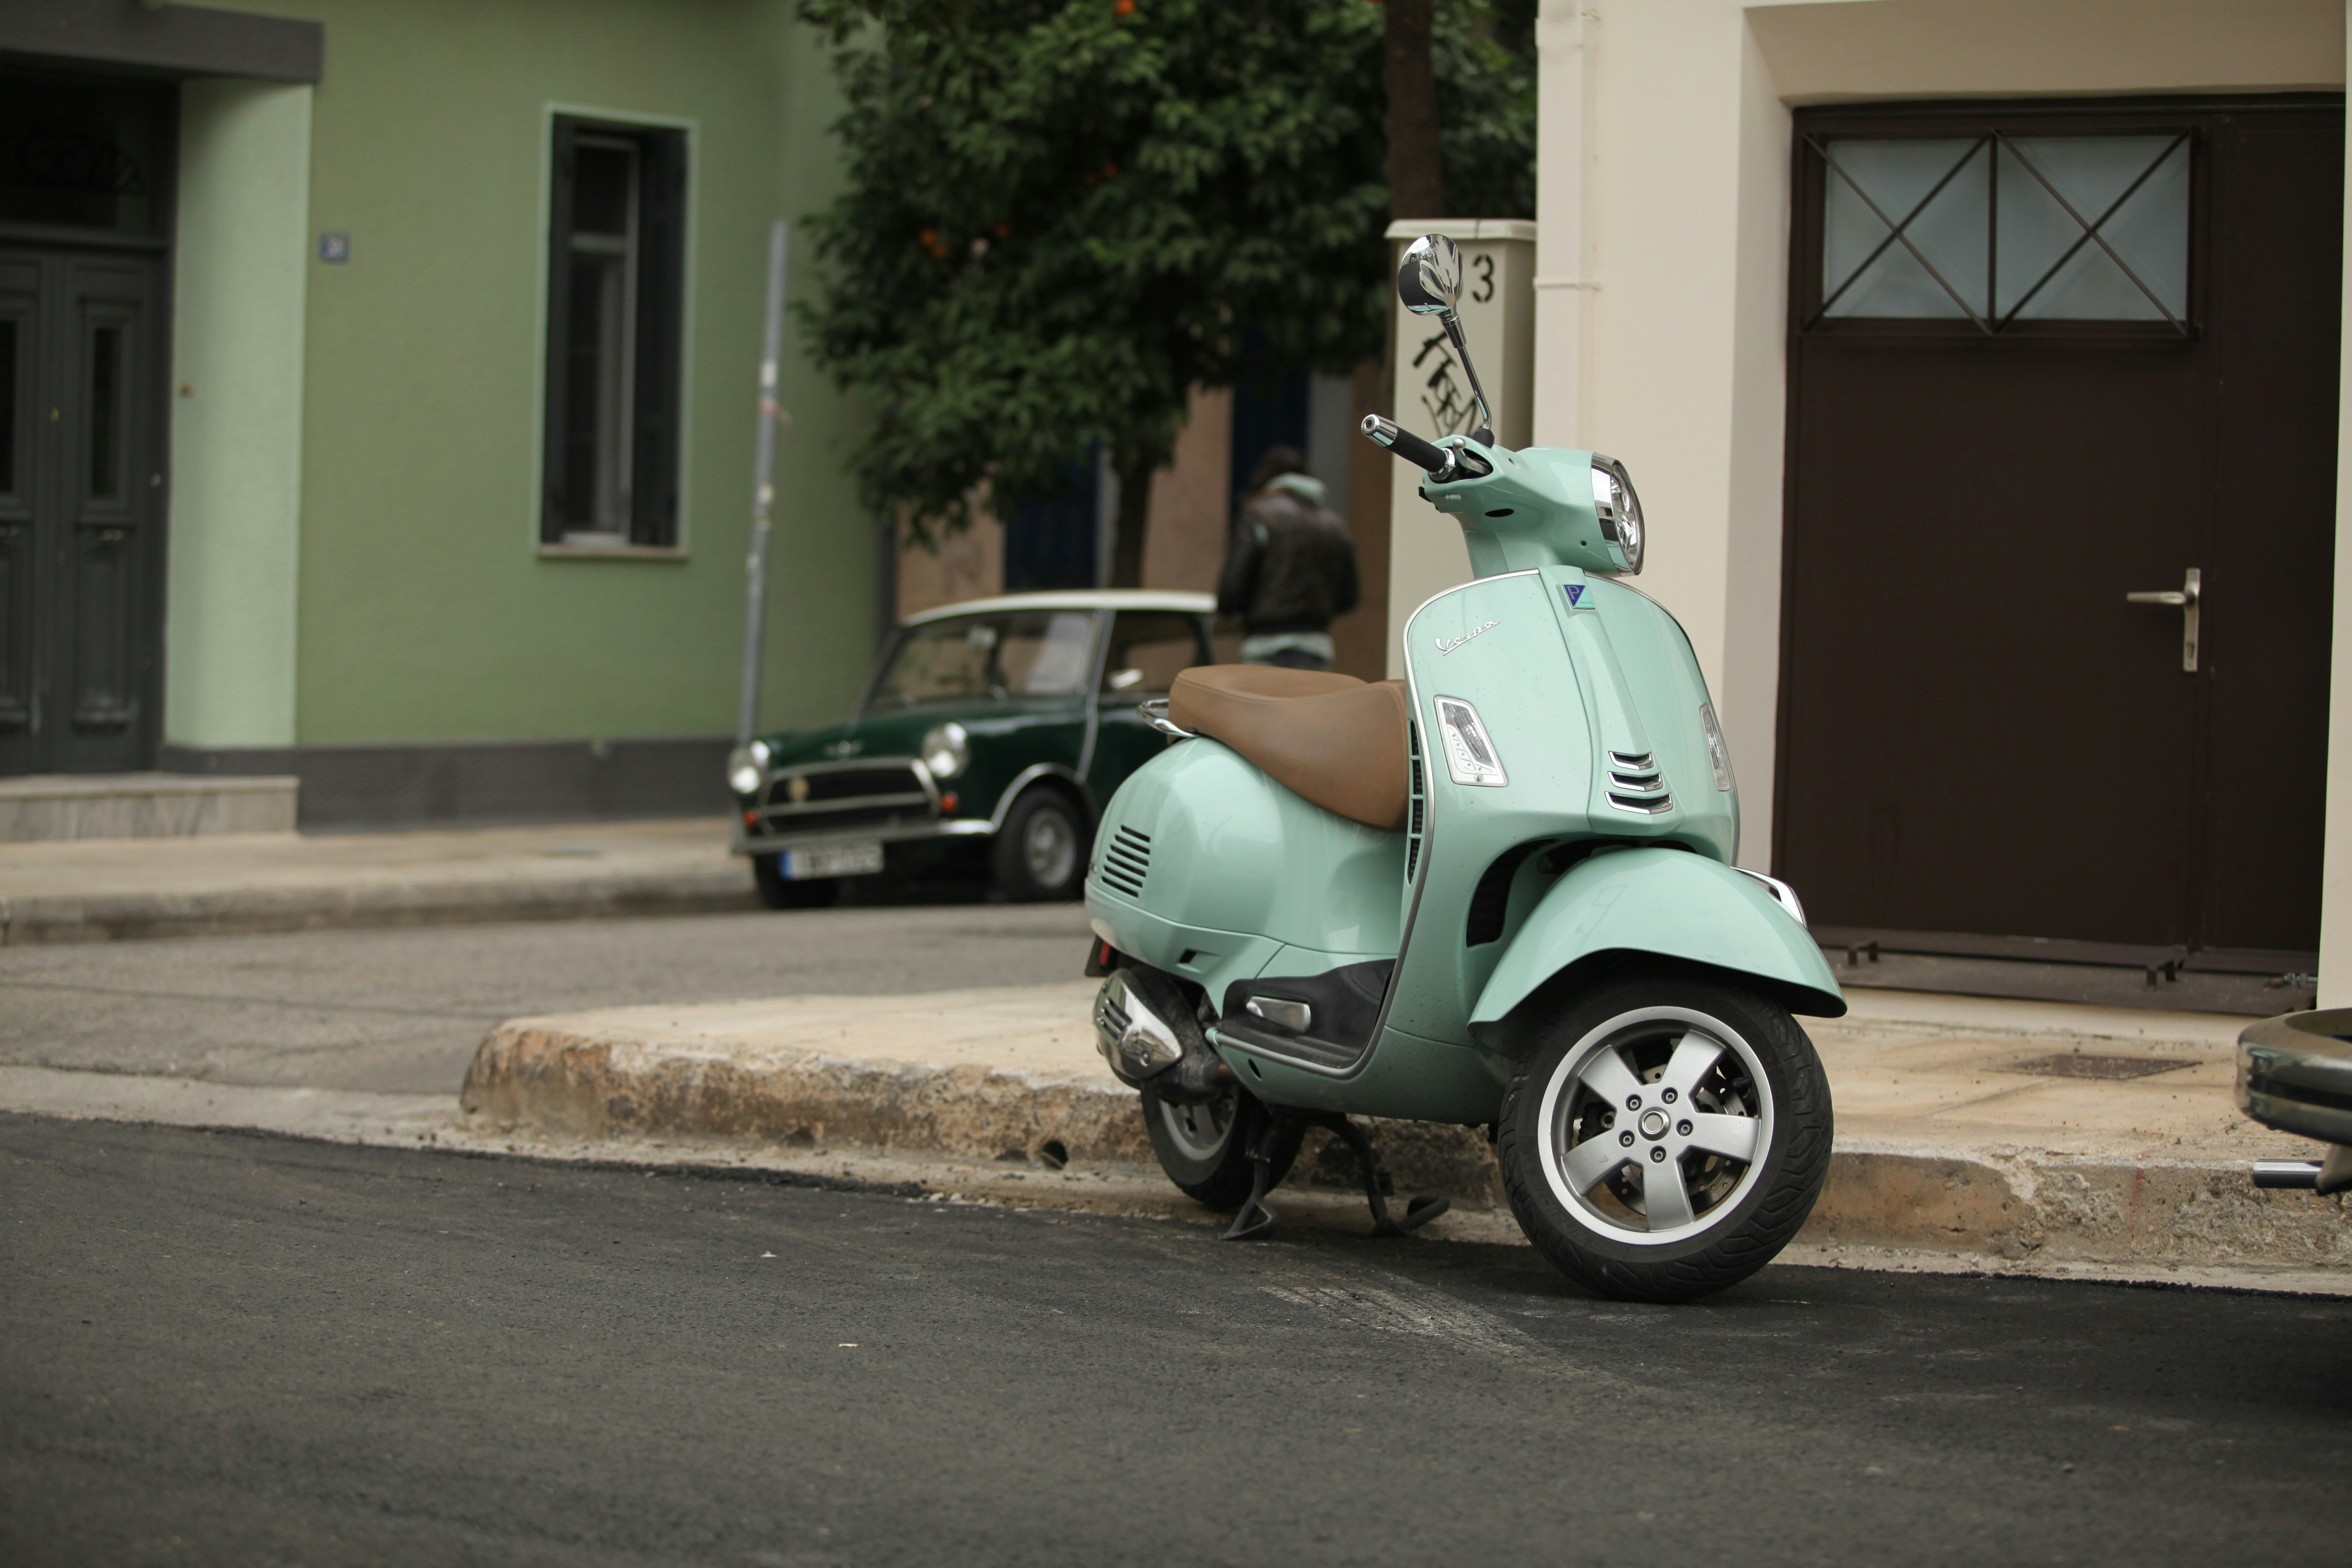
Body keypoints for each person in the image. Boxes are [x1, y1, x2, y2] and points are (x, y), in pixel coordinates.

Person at [1216, 446, 1360, 671]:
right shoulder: (1335, 526)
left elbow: (1231, 593)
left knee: (1264, 706)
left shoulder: (1259, 515)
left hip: (1264, 650)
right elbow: (1349, 598)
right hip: (1317, 650)